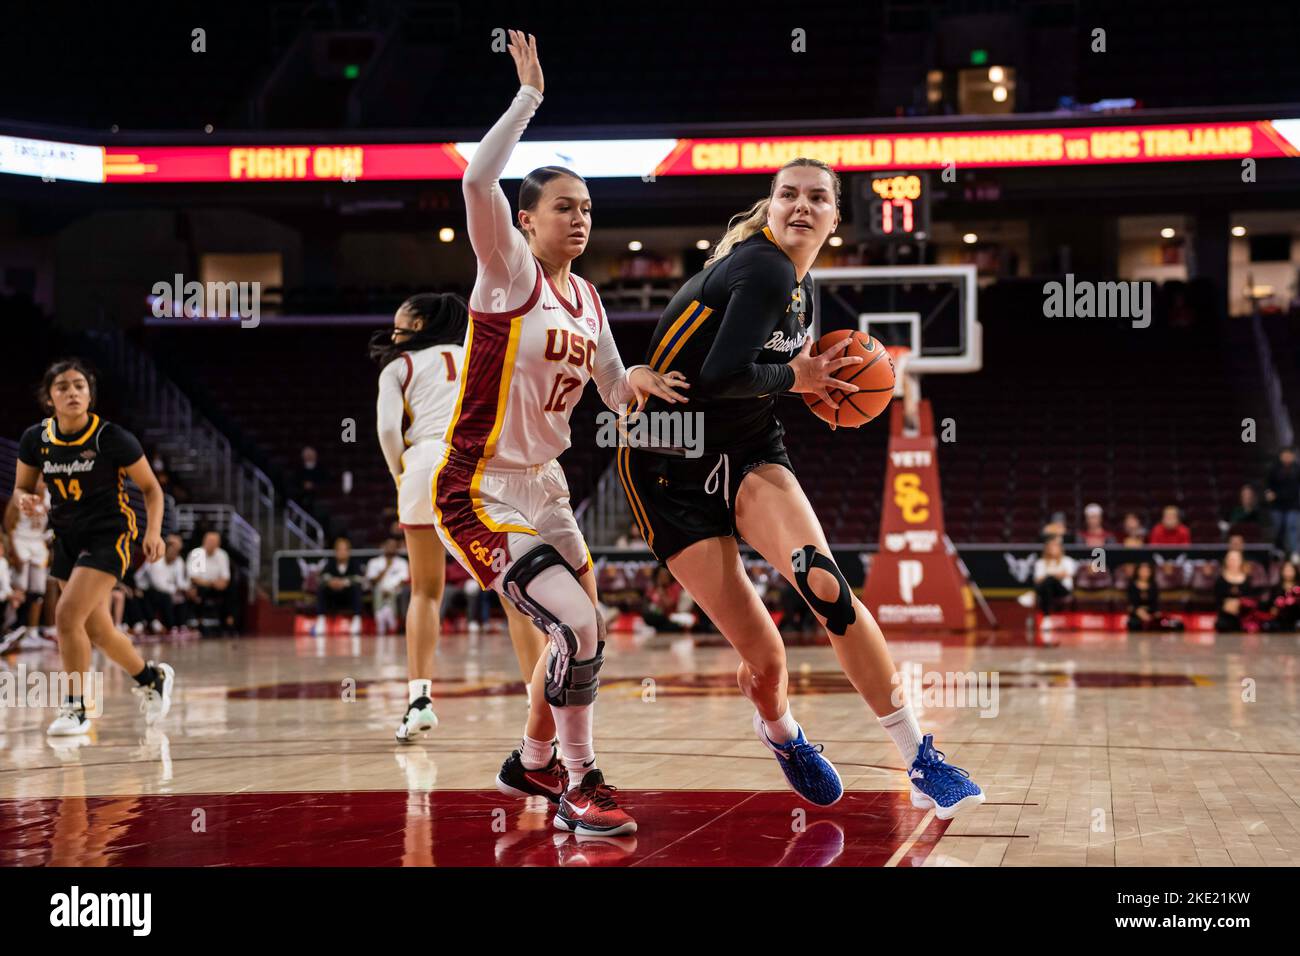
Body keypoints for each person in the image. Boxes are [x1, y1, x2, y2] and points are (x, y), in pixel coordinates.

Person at [617, 154, 983, 819]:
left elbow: (744, 380)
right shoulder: (765, 267)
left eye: (818, 198)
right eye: (789, 195)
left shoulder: (803, 285)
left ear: (836, 217)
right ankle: (782, 734)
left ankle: (919, 758)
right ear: (771, 203)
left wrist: (801, 380)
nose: (802, 207)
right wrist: (805, 380)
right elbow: (721, 375)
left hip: (749, 447)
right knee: (766, 659)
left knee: (826, 586)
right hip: (667, 464)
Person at [443, 31, 684, 836]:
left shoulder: (588, 298)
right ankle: (578, 782)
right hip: (477, 486)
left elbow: (614, 389)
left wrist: (635, 384)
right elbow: (477, 177)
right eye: (565, 207)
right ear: (527, 220)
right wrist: (529, 96)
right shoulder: (508, 272)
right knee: (575, 626)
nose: (580, 219)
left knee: (588, 632)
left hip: (546, 486)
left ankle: (533, 760)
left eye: (588, 209)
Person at [373, 291, 548, 740]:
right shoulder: (475, 353)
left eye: (401, 321)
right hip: (478, 467)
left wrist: (400, 472)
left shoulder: (399, 367)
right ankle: (540, 702)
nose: (394, 329)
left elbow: (389, 430)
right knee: (512, 592)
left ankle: (419, 702)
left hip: (422, 466)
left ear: (419, 324)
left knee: (425, 591)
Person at [12, 358, 175, 735]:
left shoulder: (111, 437)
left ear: (89, 394)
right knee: (97, 630)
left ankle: (75, 708)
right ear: (49, 397)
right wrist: (25, 499)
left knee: (67, 616)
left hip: (110, 533)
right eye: (63, 387)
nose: (72, 392)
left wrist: (153, 533)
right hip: (67, 537)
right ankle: (151, 679)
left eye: (79, 386)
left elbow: (151, 489)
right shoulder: (35, 439)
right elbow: (23, 486)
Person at [1, 476, 53, 651]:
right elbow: (8, 525)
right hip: (20, 542)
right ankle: (11, 628)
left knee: (38, 590)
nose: (42, 483)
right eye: (39, 480)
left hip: (38, 543)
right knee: (19, 587)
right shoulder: (21, 495)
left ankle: (31, 632)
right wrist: (14, 553)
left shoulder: (48, 497)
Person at [135, 534, 191, 633]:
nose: (175, 553)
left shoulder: (178, 560)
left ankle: (182, 625)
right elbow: (158, 584)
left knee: (181, 597)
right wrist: (177, 589)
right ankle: (171, 626)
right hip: (144, 589)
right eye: (173, 549)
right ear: (166, 548)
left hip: (164, 590)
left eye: (177, 551)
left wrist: (186, 589)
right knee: (165, 596)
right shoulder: (155, 559)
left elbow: (182, 582)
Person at [314, 536, 365, 635]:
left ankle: (357, 621)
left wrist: (344, 582)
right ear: (335, 551)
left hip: (348, 596)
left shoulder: (354, 564)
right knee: (321, 589)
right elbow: (322, 577)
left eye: (344, 549)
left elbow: (359, 579)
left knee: (356, 589)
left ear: (348, 551)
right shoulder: (330, 563)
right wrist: (331, 581)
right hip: (333, 597)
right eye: (339, 549)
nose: (341, 552)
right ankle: (321, 620)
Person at [188, 530, 235, 635]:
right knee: (200, 591)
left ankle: (228, 622)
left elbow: (225, 577)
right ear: (204, 541)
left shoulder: (222, 554)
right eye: (209, 541)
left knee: (231, 590)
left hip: (216, 586)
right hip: (202, 585)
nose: (211, 544)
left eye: (214, 542)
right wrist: (211, 583)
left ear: (218, 544)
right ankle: (199, 623)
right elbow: (194, 577)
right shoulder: (197, 554)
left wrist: (221, 583)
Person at [364, 537, 410, 637]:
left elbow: (404, 580)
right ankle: (381, 622)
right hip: (378, 589)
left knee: (395, 593)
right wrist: (386, 568)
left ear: (397, 548)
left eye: (394, 546)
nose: (391, 548)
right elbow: (372, 581)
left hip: (396, 590)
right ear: (384, 547)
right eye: (389, 545)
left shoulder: (402, 563)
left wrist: (392, 589)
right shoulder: (374, 562)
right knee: (378, 591)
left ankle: (392, 622)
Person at [1264, 446, 1300, 558]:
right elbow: (1268, 485)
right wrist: (1268, 493)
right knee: (1278, 528)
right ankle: (1279, 550)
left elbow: (1294, 490)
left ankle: (1294, 553)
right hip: (1277, 506)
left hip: (1293, 505)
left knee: (1292, 527)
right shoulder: (1273, 469)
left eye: (1290, 455)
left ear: (1293, 456)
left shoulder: (1297, 469)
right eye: (1285, 455)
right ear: (1281, 456)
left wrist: (1277, 495)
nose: (1287, 457)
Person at [1030, 536, 1078, 615]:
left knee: (1049, 579)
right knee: (1048, 585)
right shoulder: (1040, 562)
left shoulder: (1067, 560)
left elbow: (1067, 574)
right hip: (1046, 589)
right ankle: (1047, 617)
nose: (1053, 549)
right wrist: (1055, 575)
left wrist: (1049, 575)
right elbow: (1037, 580)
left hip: (1063, 589)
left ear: (1060, 548)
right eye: (1050, 547)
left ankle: (1033, 595)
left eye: (1055, 546)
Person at [1214, 549, 1257, 632]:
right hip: (1225, 617)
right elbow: (1217, 599)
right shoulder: (1220, 580)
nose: (1233, 562)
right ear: (1226, 561)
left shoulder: (1248, 580)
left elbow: (1251, 599)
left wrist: (1240, 603)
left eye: (1235, 559)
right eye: (1230, 559)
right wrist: (1226, 605)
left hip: (1243, 617)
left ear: (1241, 561)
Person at [1126, 561, 1159, 631]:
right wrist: (1139, 612)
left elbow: (1155, 603)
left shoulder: (1154, 585)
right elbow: (1131, 604)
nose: (1144, 573)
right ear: (1137, 571)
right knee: (1134, 623)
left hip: (1151, 613)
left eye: (1147, 571)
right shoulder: (1132, 585)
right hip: (1136, 614)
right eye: (1142, 571)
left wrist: (1154, 613)